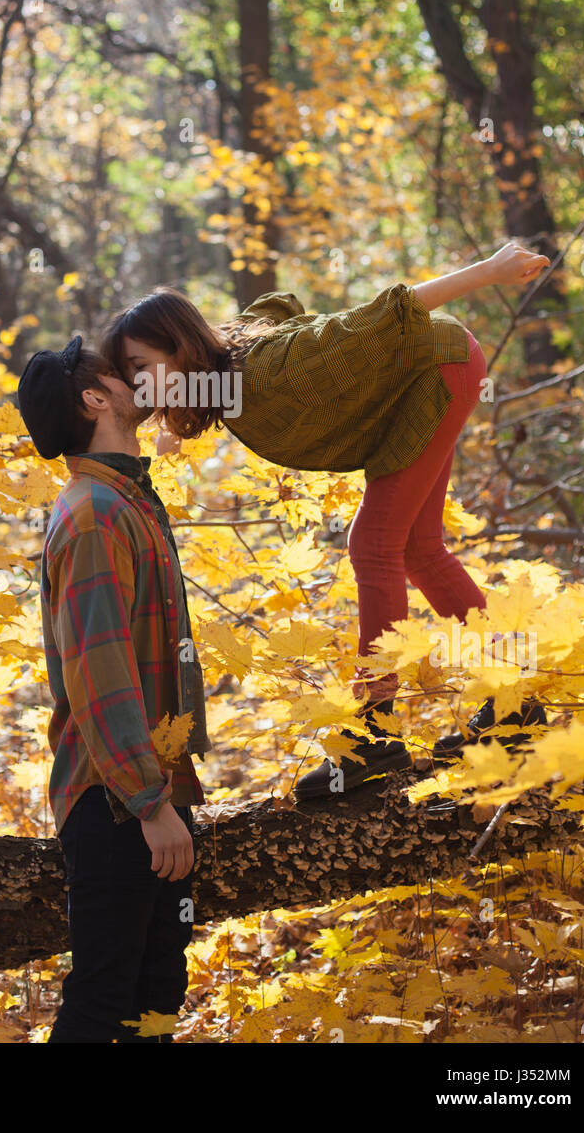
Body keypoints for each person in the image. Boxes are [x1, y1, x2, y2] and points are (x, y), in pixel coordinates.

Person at [100, 240, 552, 799]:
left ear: (181, 347)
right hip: (433, 371)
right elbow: (277, 306)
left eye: (142, 367)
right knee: (416, 548)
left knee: (374, 546)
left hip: (438, 369)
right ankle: (517, 703)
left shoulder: (268, 370)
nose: (140, 382)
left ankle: (372, 736)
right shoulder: (227, 368)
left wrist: (491, 270)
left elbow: (388, 312)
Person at [17, 335, 209, 1042]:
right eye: (120, 374)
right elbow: (99, 674)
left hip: (149, 788)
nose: (137, 378)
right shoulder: (94, 515)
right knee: (102, 1005)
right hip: (116, 801)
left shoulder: (124, 497)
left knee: (155, 995)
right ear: (95, 400)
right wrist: (149, 802)